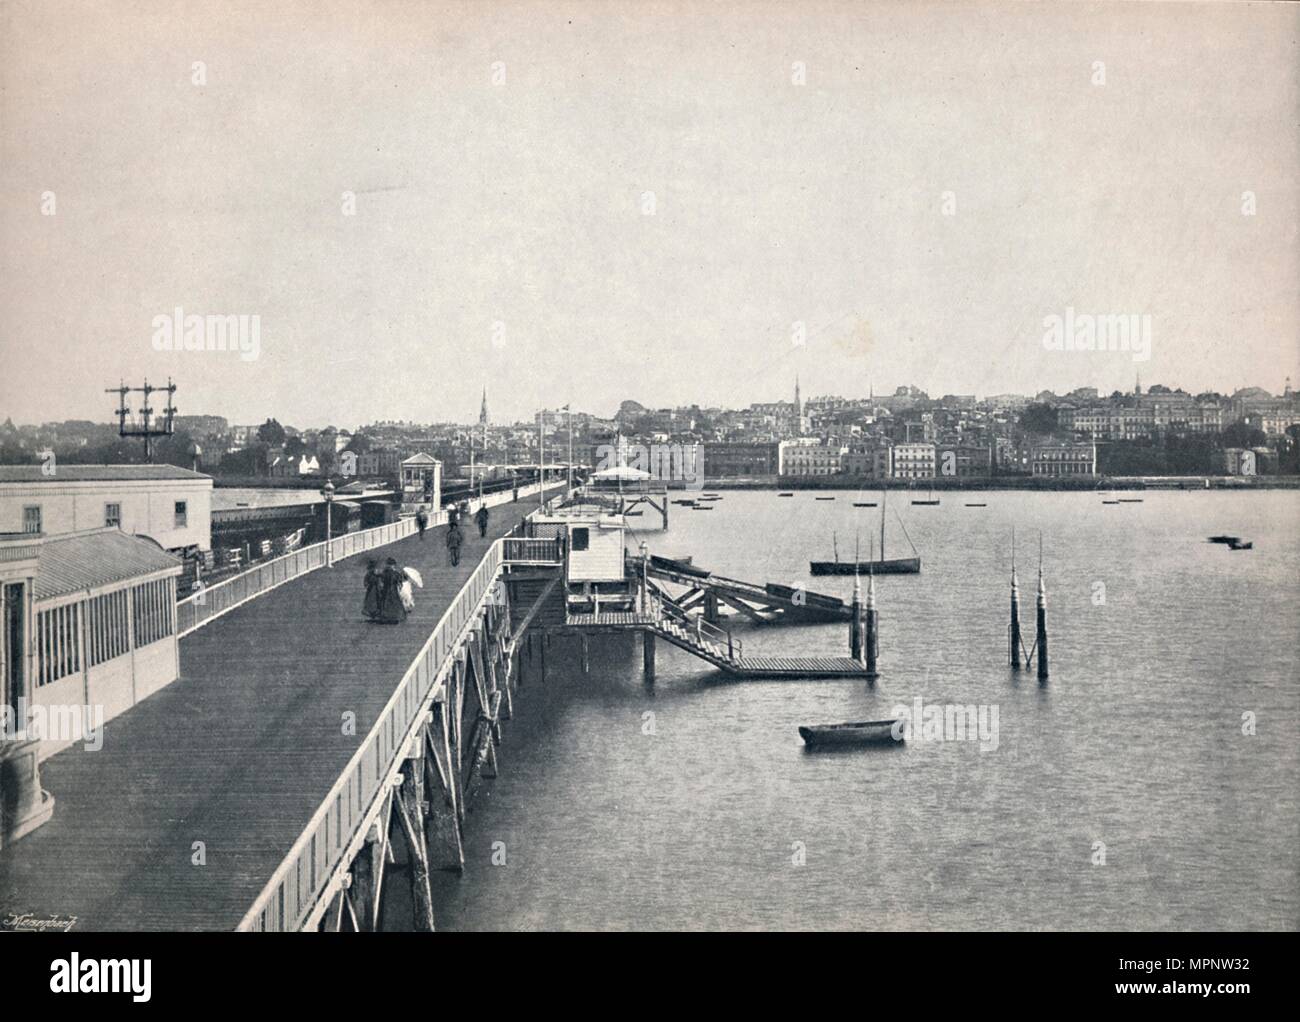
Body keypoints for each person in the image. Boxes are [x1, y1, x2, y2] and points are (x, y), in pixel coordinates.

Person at [376, 557, 407, 624]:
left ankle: (385, 617)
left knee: (385, 602)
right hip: (393, 590)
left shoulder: (385, 573)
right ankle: (394, 617)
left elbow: (381, 579)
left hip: (386, 589)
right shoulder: (395, 573)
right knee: (394, 602)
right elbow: (400, 580)